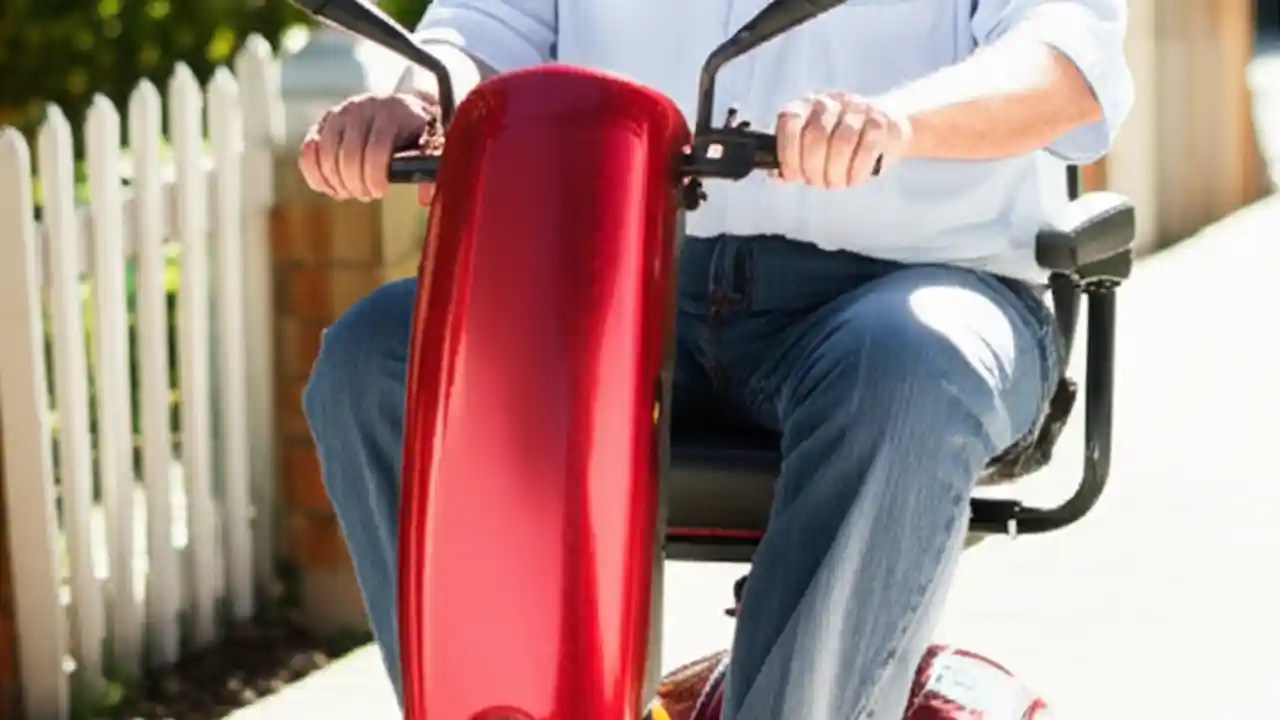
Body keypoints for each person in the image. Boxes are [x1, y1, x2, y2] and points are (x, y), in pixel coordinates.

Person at [299, 1, 1133, 718]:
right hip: (632, 277)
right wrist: (416, 99)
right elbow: (493, 25)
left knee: (911, 364)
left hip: (915, 285)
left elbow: (1063, 62)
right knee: (379, 360)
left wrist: (901, 122)